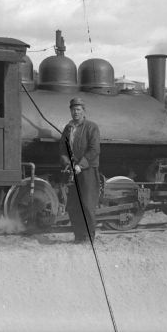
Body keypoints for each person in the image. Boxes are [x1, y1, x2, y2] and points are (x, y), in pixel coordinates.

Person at [59, 97, 101, 243]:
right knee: (73, 205)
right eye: (73, 109)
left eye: (78, 109)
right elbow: (62, 149)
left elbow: (94, 149)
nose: (75, 112)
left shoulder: (91, 127)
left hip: (88, 170)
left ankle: (89, 238)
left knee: (87, 205)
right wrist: (68, 163)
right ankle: (78, 236)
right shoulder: (68, 128)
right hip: (73, 171)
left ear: (84, 111)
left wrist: (80, 165)